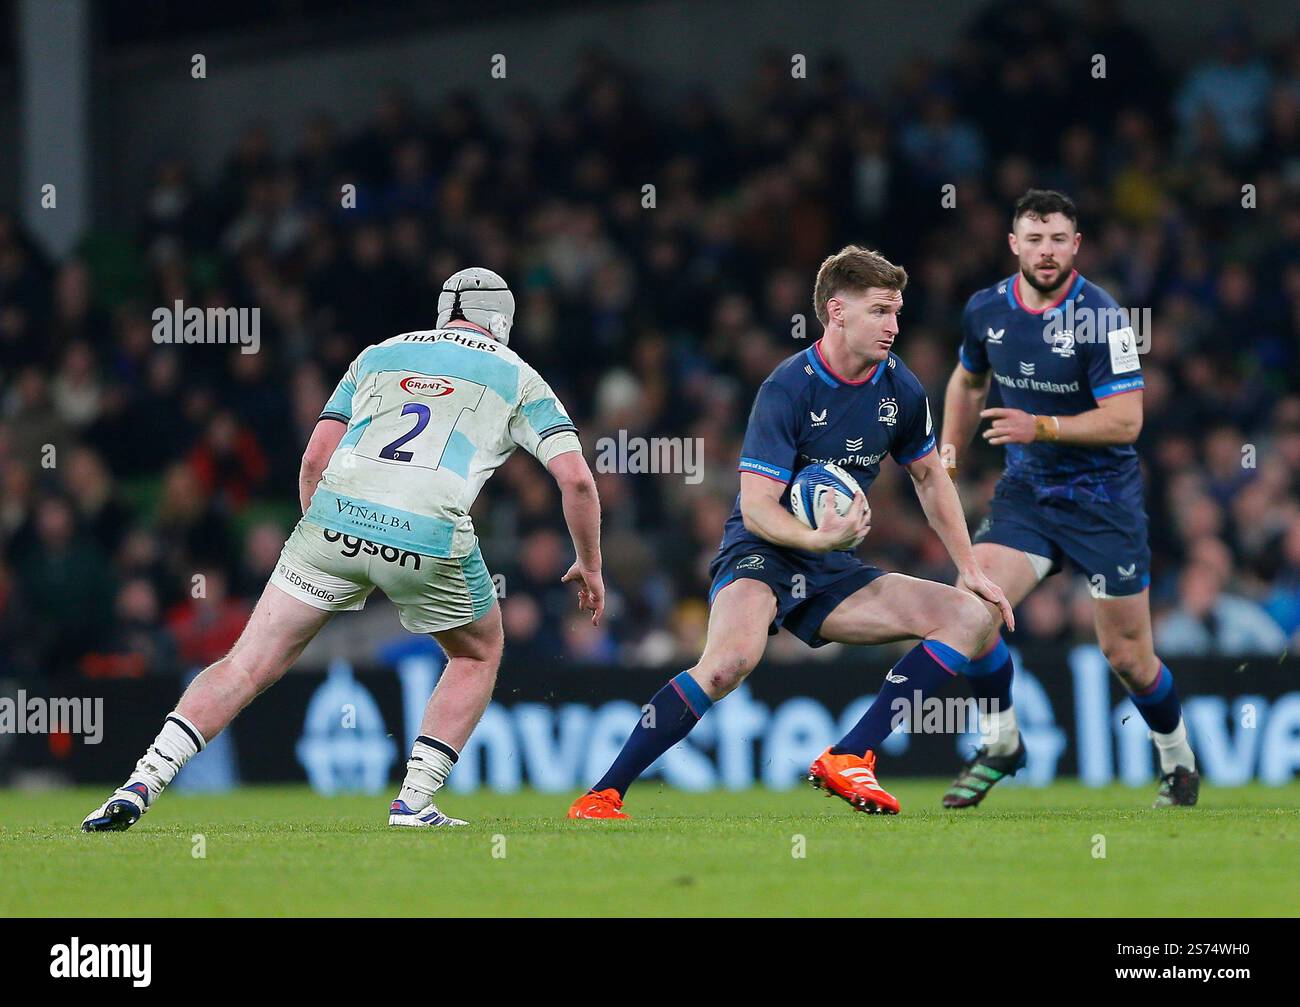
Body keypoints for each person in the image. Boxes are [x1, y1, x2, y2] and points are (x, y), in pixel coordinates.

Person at [82, 268, 604, 831]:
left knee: (244, 665)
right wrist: (590, 564)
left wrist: (326, 541)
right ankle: (413, 801)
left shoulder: (379, 354)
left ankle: (141, 781)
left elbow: (313, 459)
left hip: (334, 517)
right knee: (477, 653)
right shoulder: (519, 377)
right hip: (426, 533)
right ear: (503, 322)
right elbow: (575, 480)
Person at [569, 245, 1012, 820]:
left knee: (970, 616)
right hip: (763, 553)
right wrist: (814, 541)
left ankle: (852, 754)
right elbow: (756, 509)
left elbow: (929, 476)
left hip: (830, 566)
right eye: (880, 311)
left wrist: (970, 568)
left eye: (897, 312)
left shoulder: (900, 386)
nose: (893, 326)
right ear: (837, 311)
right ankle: (603, 794)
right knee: (729, 663)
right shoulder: (788, 388)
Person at [941, 189, 1199, 809]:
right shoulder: (985, 310)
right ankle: (1001, 743)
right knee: (970, 612)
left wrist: (1042, 426)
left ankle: (1178, 761)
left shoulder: (1103, 318)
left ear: (1075, 245)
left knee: (1128, 657)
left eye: (1058, 238)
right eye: (1034, 238)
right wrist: (948, 452)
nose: (1046, 251)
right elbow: (968, 380)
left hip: (1104, 503)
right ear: (1014, 245)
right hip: (1027, 496)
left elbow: (1126, 421)